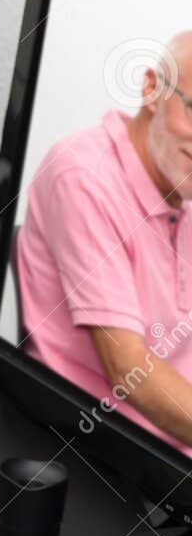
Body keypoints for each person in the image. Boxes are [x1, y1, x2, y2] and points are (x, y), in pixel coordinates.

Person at [17, 31, 192, 452]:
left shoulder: (180, 183)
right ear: (151, 88)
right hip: (106, 453)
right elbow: (129, 370)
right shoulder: (83, 176)